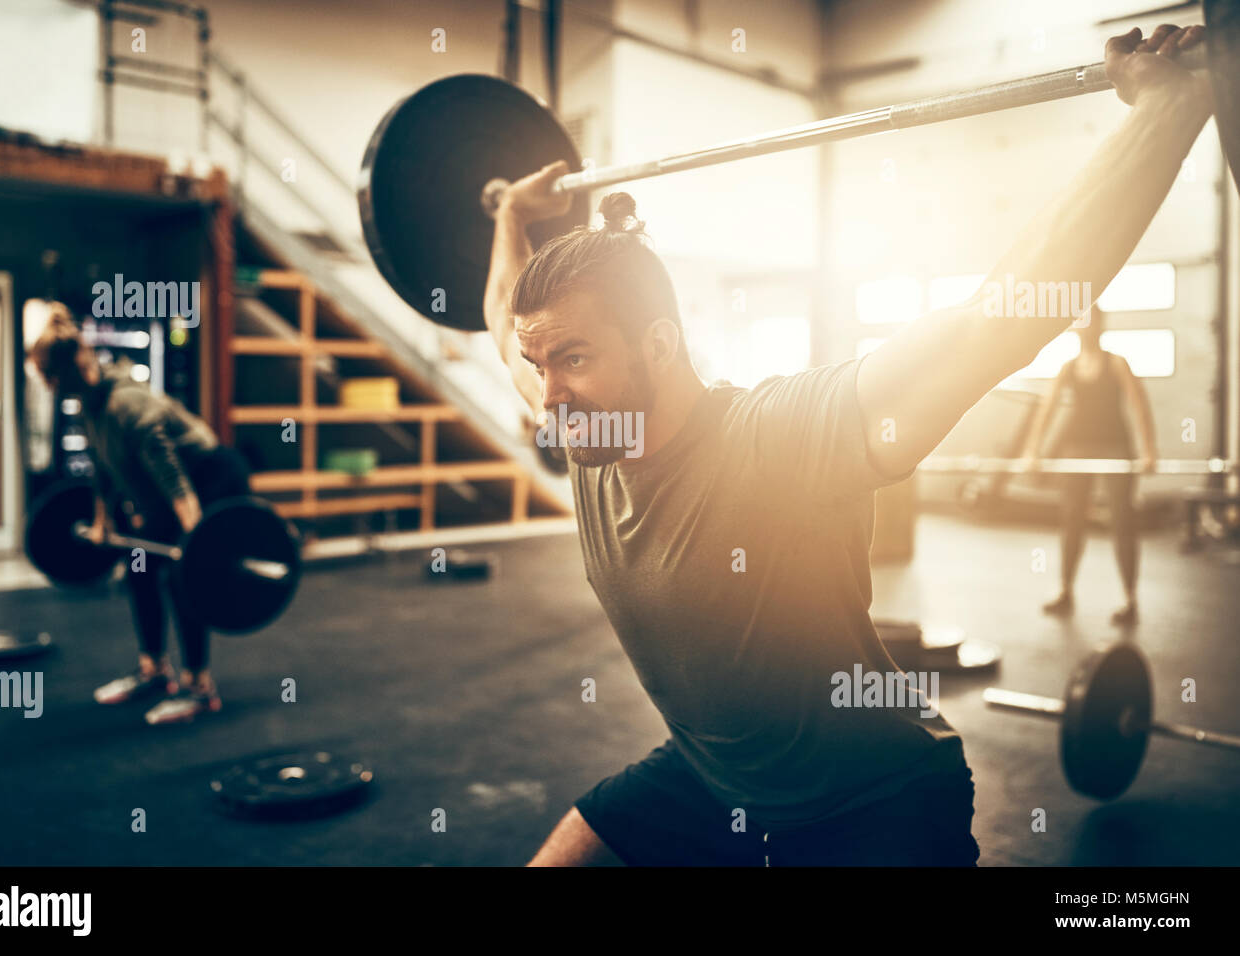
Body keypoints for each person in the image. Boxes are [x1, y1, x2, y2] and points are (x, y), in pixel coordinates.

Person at [483, 24, 1211, 865]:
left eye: (573, 358)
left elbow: (1001, 319)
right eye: (542, 366)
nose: (550, 393)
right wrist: (510, 216)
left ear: (658, 344)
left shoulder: (778, 435)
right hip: (715, 779)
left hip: (871, 804)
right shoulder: (585, 426)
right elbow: (504, 324)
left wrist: (1168, 108)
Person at [29, 303, 252, 724]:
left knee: (182, 577)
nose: (44, 383)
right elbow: (103, 467)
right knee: (139, 567)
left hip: (209, 477)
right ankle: (154, 670)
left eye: (47, 375)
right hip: (166, 490)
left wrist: (196, 539)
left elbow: (172, 474)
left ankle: (199, 687)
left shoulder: (127, 404)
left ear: (67, 371)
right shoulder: (90, 404)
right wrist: (101, 522)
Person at [1020, 306, 1157, 625]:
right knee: (1071, 519)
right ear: (1075, 330)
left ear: (1101, 327)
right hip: (1077, 449)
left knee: (1122, 520)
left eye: (1091, 323)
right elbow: (1046, 411)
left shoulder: (1117, 364)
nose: (1086, 329)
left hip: (1116, 449)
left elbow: (1140, 406)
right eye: (1081, 324)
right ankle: (1065, 592)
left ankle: (1129, 599)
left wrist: (1149, 450)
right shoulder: (1068, 369)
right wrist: (1032, 450)